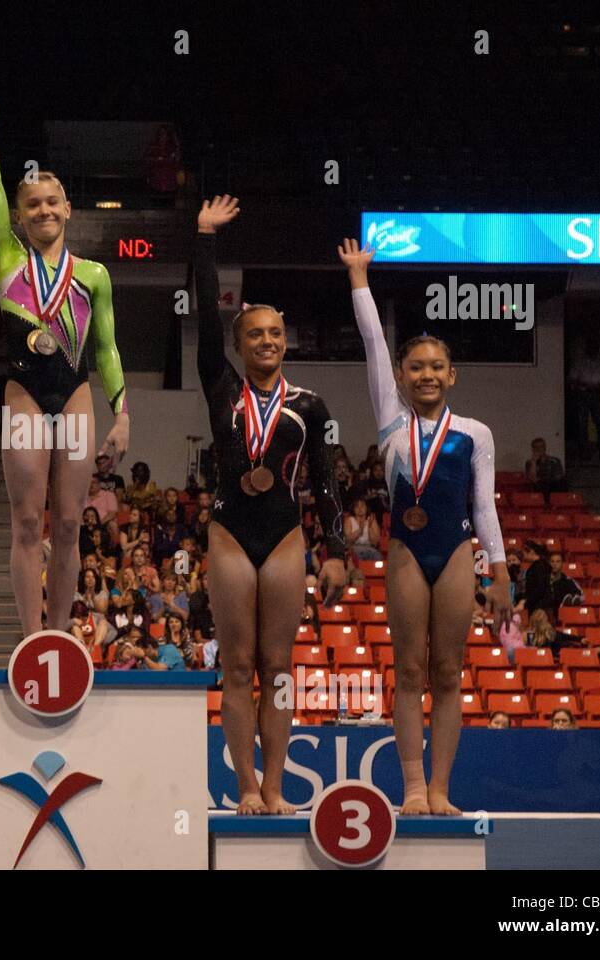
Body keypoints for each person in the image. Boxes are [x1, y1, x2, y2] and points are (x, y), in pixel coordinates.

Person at [0, 68, 129, 637]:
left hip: (74, 395)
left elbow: (106, 347)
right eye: (33, 205)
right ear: (21, 216)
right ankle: (31, 639)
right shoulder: (8, 258)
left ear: (69, 209)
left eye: (53, 202)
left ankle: (58, 636)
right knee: (28, 521)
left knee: (71, 524)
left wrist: (122, 415)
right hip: (26, 395)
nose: (44, 211)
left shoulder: (94, 275)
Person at [341, 236, 510, 816]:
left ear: (453, 374)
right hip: (407, 549)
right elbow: (371, 341)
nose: (427, 375)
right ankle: (412, 788)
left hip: (458, 549)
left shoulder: (475, 433)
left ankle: (441, 789)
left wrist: (503, 574)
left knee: (448, 671)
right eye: (416, 367)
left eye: (438, 366)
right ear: (401, 376)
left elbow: (484, 507)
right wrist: (359, 278)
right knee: (408, 668)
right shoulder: (391, 421)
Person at [196, 197, 347, 815]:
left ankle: (279, 786)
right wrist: (204, 239)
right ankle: (245, 787)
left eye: (275, 333)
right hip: (231, 530)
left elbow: (328, 483)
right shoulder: (221, 385)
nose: (265, 341)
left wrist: (335, 551)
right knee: (237, 666)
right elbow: (206, 318)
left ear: (287, 342)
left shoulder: (311, 406)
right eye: (254, 333)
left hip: (285, 535)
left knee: (278, 665)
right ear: (239, 342)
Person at [568, 339, 600, 460]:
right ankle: (583, 452)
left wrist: (597, 386)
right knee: (581, 424)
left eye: (594, 347)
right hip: (582, 394)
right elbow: (572, 378)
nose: (592, 350)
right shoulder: (580, 362)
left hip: (596, 394)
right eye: (590, 347)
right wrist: (582, 384)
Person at [525, 437, 566, 501]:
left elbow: (559, 476)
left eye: (541, 446)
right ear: (533, 449)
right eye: (536, 447)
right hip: (540, 488)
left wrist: (542, 479)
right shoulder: (529, 463)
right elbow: (532, 478)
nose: (539, 449)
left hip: (553, 485)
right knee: (539, 484)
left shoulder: (554, 460)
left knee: (561, 483)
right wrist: (534, 462)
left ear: (545, 448)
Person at [344, 496, 383, 561]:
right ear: (353, 509)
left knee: (377, 556)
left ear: (366, 508)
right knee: (357, 555)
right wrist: (360, 530)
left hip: (370, 549)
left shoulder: (371, 520)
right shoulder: (349, 520)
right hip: (354, 549)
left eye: (362, 506)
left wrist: (369, 527)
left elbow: (375, 542)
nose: (360, 509)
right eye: (357, 506)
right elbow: (348, 540)